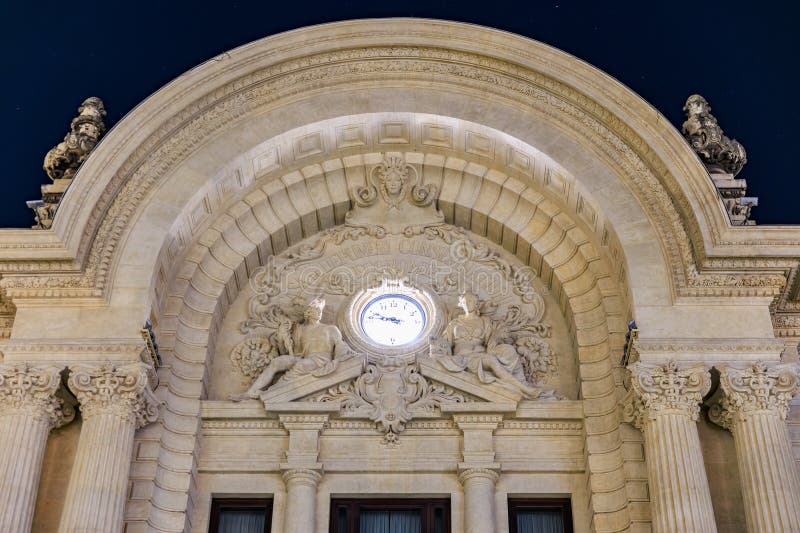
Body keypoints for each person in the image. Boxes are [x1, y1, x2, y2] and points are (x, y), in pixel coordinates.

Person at [229, 297, 352, 401]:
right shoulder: (301, 330)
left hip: (321, 361)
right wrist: (283, 337)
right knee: (278, 362)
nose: (319, 313)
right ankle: (251, 392)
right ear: (308, 312)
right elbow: (291, 352)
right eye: (316, 310)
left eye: (319, 310)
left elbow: (340, 346)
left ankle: (275, 391)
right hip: (305, 358)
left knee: (301, 365)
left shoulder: (330, 329)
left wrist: (340, 359)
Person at [437, 292, 543, 398]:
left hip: (479, 356)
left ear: (476, 304)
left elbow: (490, 343)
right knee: (491, 360)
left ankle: (523, 386)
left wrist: (497, 337)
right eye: (464, 302)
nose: (467, 304)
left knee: (505, 353)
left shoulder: (484, 322)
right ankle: (525, 390)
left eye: (470, 301)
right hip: (461, 358)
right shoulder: (454, 323)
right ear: (461, 304)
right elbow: (445, 344)